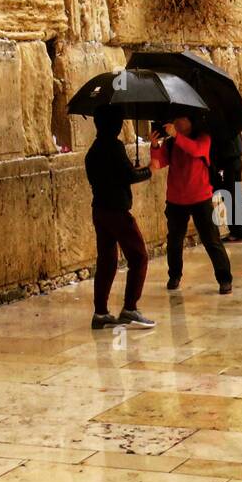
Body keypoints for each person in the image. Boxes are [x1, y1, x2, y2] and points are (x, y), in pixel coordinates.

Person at [84, 108, 156, 330]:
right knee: (139, 257)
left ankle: (101, 312)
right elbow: (128, 176)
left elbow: (107, 176)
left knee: (107, 262)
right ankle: (130, 307)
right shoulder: (114, 147)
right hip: (117, 211)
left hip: (100, 211)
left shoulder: (93, 151)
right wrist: (149, 169)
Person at [151, 110, 232, 295]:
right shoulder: (171, 143)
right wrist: (155, 146)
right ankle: (174, 275)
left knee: (211, 239)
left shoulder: (203, 138)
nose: (176, 122)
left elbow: (196, 150)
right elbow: (157, 163)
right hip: (176, 198)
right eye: (175, 119)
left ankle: (224, 278)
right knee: (174, 241)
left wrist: (176, 136)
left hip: (200, 197)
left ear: (190, 121)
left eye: (180, 118)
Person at [211, 129, 242, 242]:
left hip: (228, 159)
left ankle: (237, 232)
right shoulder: (233, 120)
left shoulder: (222, 122)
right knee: (237, 195)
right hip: (235, 157)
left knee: (230, 197)